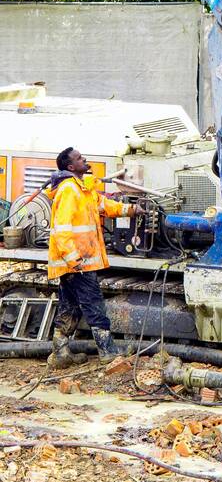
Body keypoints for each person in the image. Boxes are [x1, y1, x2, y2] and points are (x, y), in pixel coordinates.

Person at [46, 147, 141, 368]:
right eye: (79, 158)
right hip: (78, 263)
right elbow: (62, 229)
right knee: (93, 304)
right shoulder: (69, 190)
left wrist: (131, 210)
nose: (84, 159)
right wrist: (73, 259)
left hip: (76, 263)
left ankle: (60, 355)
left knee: (70, 306)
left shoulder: (83, 189)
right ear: (70, 167)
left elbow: (104, 205)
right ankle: (108, 352)